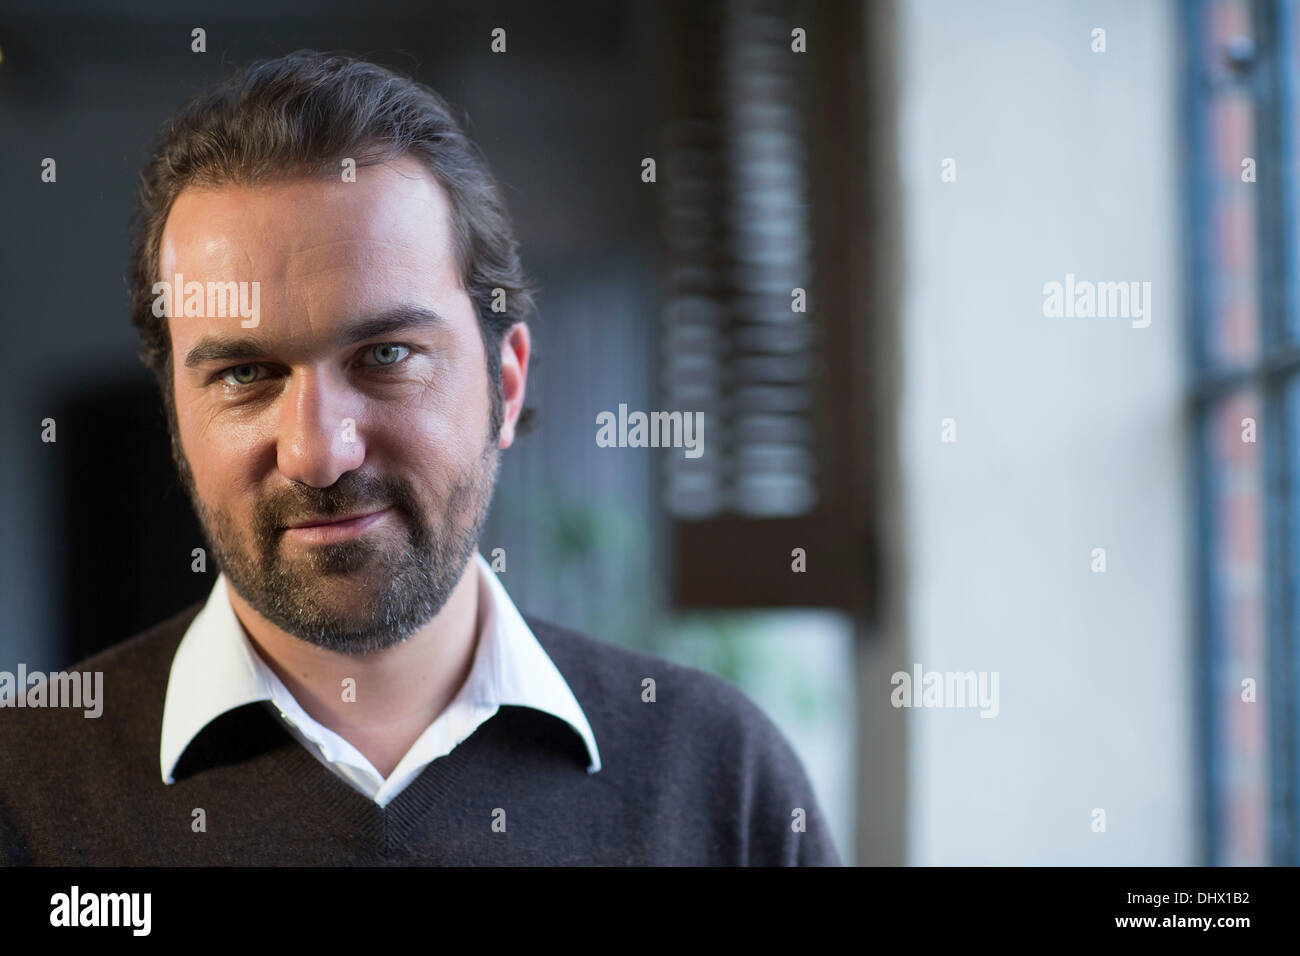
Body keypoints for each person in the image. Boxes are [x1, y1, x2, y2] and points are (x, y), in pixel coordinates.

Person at [0, 50, 841, 866]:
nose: (319, 453)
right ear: (176, 412)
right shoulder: (25, 794)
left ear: (505, 385)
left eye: (387, 355)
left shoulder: (714, 783)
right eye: (245, 373)